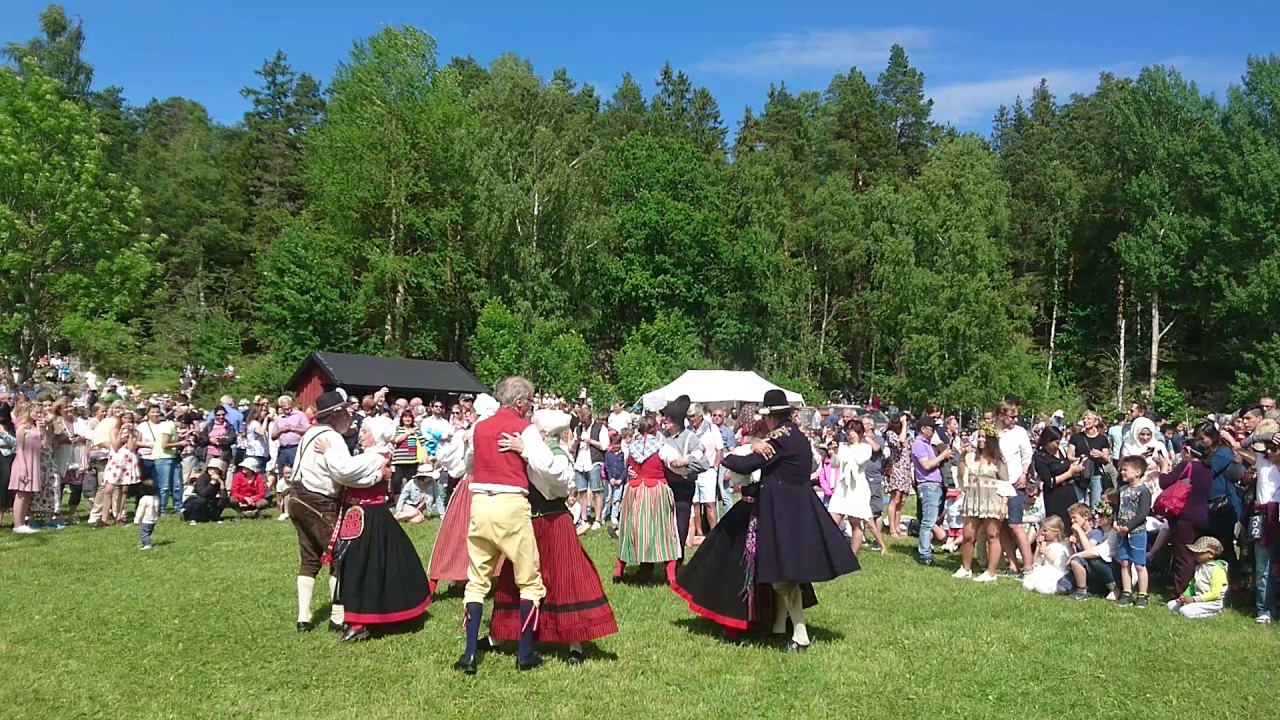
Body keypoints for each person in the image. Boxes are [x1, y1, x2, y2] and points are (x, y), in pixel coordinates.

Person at [714, 389, 861, 653]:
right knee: (785, 570)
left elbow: (746, 465)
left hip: (782, 510)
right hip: (799, 506)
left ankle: (800, 636)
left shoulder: (778, 438)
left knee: (781, 576)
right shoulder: (798, 435)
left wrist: (726, 454)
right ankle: (780, 626)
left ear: (770, 416)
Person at [455, 377, 565, 675]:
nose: (530, 406)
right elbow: (549, 467)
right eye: (529, 401)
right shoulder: (524, 428)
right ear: (519, 402)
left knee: (477, 580)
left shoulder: (479, 427)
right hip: (511, 504)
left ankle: (469, 654)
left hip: (480, 502)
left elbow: (467, 464)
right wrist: (525, 451)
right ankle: (525, 653)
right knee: (529, 580)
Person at [489, 409, 617, 665]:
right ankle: (500, 634)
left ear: (545, 433)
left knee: (564, 578)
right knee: (517, 575)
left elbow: (554, 483)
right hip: (530, 522)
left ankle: (574, 642)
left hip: (555, 522)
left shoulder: (557, 455)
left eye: (535, 429)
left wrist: (526, 451)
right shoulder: (533, 451)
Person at [317, 414, 430, 642]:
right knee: (368, 563)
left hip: (367, 516)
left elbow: (344, 472)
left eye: (366, 431)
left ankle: (360, 621)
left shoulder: (374, 456)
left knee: (360, 564)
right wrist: (378, 475)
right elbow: (357, 477)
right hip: (366, 514)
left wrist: (328, 451)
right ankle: (362, 615)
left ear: (377, 435)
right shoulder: (373, 456)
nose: (361, 434)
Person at [289, 390, 383, 636]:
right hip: (319, 502)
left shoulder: (309, 433)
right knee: (342, 555)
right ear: (334, 415)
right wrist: (376, 475)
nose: (348, 417)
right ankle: (338, 617)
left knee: (309, 558)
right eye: (344, 413)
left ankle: (303, 618)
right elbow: (344, 474)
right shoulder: (332, 437)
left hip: (297, 498)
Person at [613, 399, 691, 584]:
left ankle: (619, 573)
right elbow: (678, 466)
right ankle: (671, 577)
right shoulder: (662, 447)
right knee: (664, 532)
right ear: (655, 429)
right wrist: (687, 463)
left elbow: (629, 467)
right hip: (655, 491)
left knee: (631, 531)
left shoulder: (631, 447)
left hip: (634, 491)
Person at [1115, 456, 1152, 607]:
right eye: (1121, 469)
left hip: (1137, 532)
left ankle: (1142, 594)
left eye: (1125, 469)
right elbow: (1117, 509)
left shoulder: (1144, 491)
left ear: (1137, 472)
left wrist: (1127, 527)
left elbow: (1142, 513)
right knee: (1124, 562)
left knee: (1139, 564)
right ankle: (1127, 592)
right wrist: (1116, 523)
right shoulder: (1122, 490)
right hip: (1121, 532)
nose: (1122, 472)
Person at [1167, 537, 1228, 619]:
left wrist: (1194, 599)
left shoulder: (1217, 570)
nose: (1195, 555)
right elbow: (1192, 585)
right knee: (1171, 605)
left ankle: (1215, 613)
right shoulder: (1199, 567)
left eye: (1199, 553)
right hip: (1198, 599)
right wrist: (1184, 597)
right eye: (1195, 552)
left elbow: (1214, 594)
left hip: (1211, 602)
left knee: (1184, 611)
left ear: (1211, 554)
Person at [1021, 516, 1070, 595]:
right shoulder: (1046, 544)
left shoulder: (1064, 545)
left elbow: (1062, 565)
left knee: (1042, 588)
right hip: (1044, 570)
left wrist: (1047, 553)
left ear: (1056, 532)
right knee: (1027, 584)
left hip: (1056, 572)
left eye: (1045, 531)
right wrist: (1038, 547)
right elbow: (1036, 562)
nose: (1043, 533)